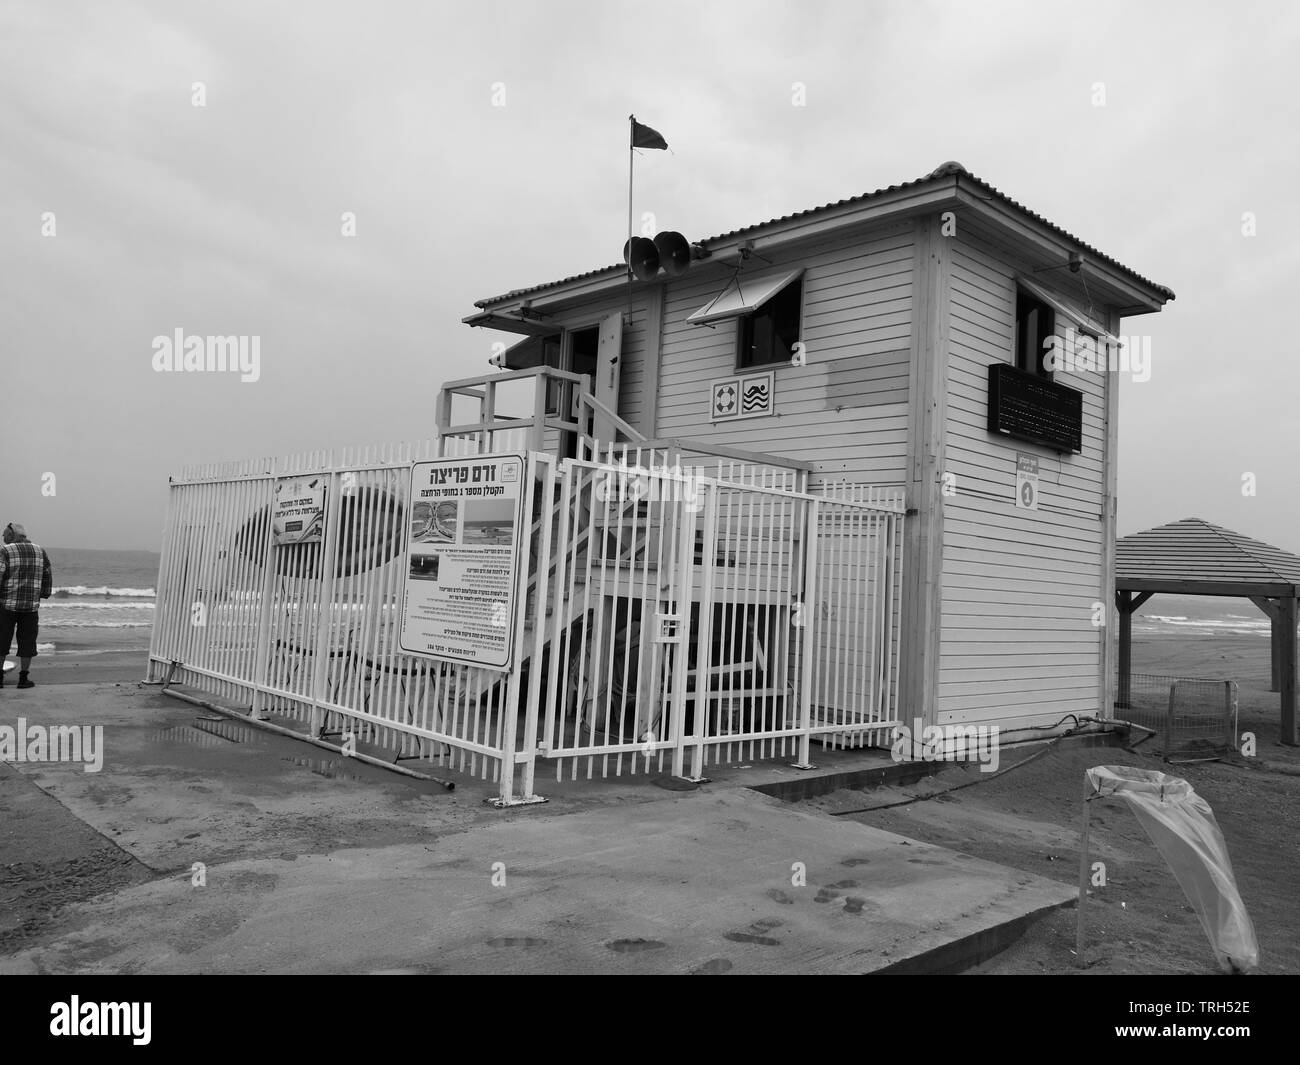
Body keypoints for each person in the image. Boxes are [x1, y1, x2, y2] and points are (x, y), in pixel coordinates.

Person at [0, 522, 53, 689]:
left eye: (4, 534)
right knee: (27, 642)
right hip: (30, 607)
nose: (3, 537)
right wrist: (44, 593)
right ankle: (23, 679)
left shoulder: (5, 551)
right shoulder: (40, 551)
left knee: (2, 641)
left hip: (7, 605)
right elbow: (47, 574)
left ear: (12, 535)